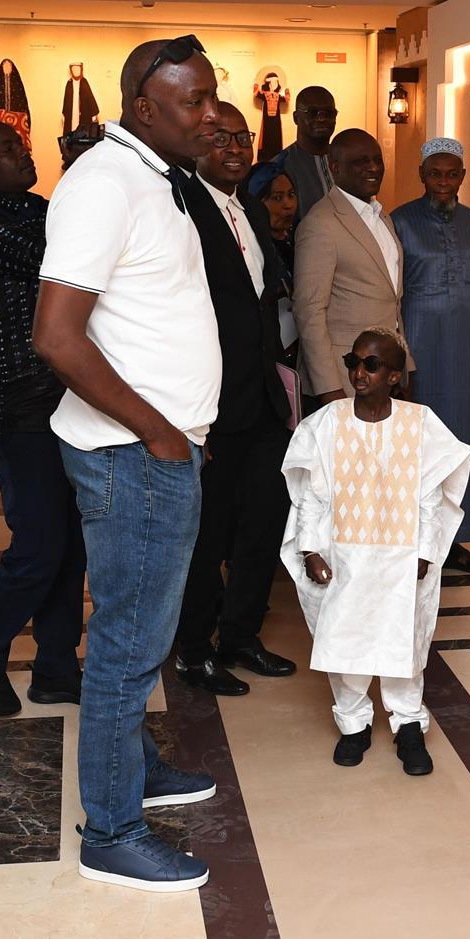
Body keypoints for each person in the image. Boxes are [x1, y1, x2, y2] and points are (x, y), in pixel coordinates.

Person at [32, 33, 224, 893]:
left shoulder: (155, 176)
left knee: (140, 636)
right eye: (195, 101)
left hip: (153, 450)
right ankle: (110, 832)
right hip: (133, 455)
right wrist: (159, 431)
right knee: (125, 646)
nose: (213, 114)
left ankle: (135, 771)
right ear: (144, 108)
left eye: (212, 95)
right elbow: (56, 336)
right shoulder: (104, 184)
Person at [281, 330, 470, 775]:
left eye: (371, 365)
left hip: (401, 556)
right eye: (353, 362)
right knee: (343, 637)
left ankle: (408, 723)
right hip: (342, 555)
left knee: (404, 638)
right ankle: (353, 723)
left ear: (394, 377)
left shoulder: (419, 423)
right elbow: (309, 496)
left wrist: (425, 552)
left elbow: (431, 496)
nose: (358, 373)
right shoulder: (327, 423)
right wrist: (309, 550)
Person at [0, 119, 86, 716]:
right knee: (39, 541)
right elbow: (62, 259)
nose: (22, 152)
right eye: (7, 149)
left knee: (71, 540)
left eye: (21, 144)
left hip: (68, 395)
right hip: (18, 399)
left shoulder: (42, 209)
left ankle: (56, 666)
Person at [173, 101, 297, 691]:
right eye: (219, 138)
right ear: (196, 145)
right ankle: (194, 649)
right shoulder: (182, 208)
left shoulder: (251, 208)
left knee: (263, 524)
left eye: (242, 138)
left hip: (263, 398)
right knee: (207, 534)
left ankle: (241, 635)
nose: (234, 149)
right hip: (210, 405)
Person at [392, 137, 470, 575]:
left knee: (460, 442)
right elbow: (393, 283)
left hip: (462, 346)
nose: (443, 182)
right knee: (415, 442)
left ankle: (454, 543)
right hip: (416, 342)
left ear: (463, 177)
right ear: (422, 175)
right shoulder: (400, 221)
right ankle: (410, 543)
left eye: (452, 174)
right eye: (435, 173)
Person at [293, 128, 414, 404]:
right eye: (361, 161)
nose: (373, 168)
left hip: (386, 375)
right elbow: (309, 311)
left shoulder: (381, 216)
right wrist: (329, 387)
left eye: (377, 159)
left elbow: (392, 301)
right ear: (335, 168)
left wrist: (403, 367)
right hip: (344, 376)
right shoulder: (320, 223)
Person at [247, 84, 337, 218]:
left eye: (329, 113)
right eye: (312, 112)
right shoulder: (279, 167)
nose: (321, 119)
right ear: (296, 118)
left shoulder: (345, 162)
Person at [256, 165, 300, 359]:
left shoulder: (300, 241)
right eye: (277, 198)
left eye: (291, 195)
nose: (288, 205)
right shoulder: (253, 250)